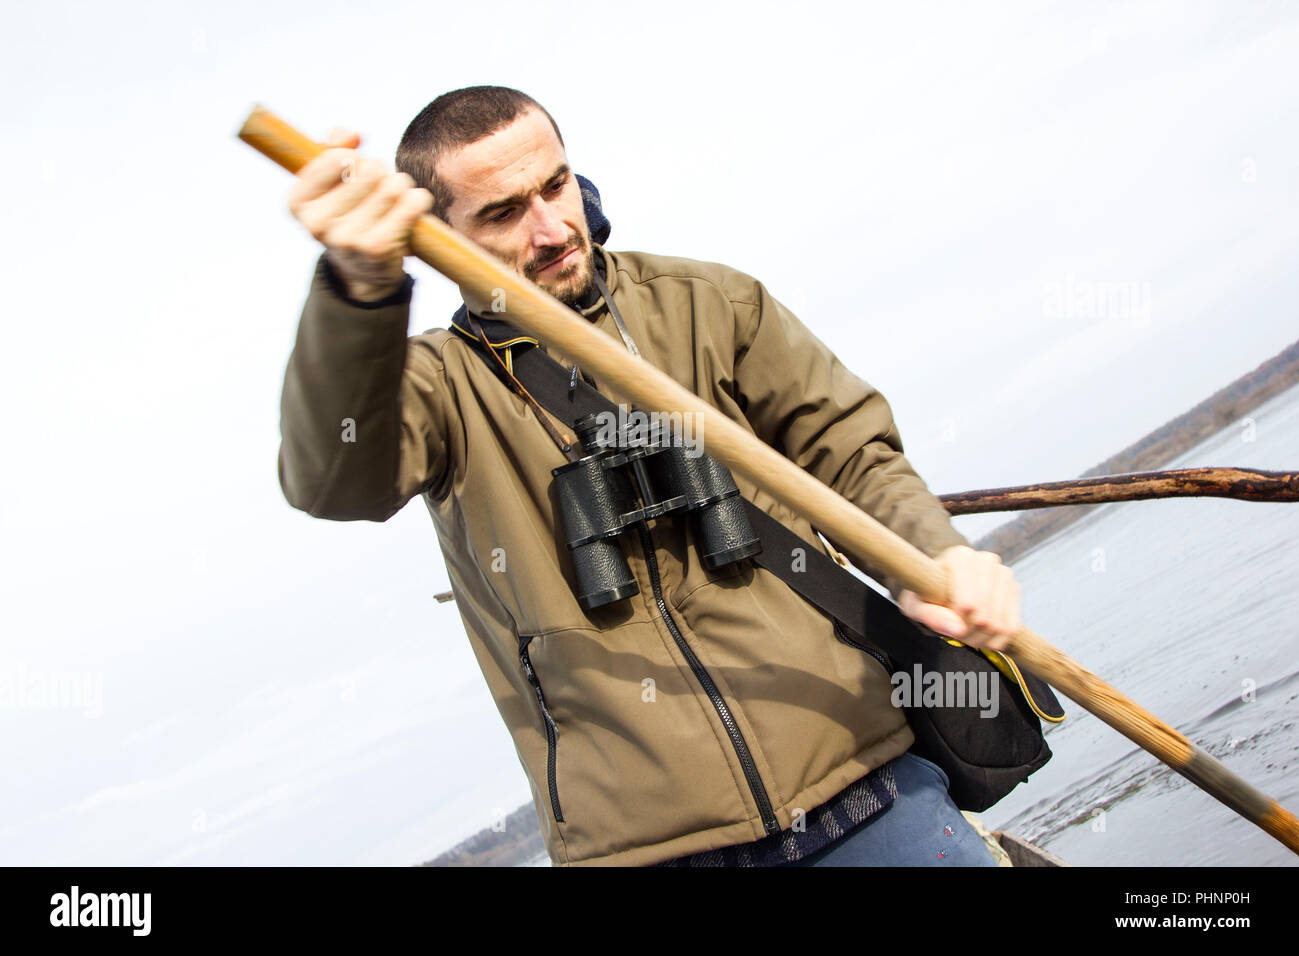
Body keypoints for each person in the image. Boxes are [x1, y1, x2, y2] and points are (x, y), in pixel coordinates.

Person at [278, 85, 1022, 867]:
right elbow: (334, 482)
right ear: (432, 235)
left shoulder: (708, 302)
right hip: (646, 850)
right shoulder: (436, 388)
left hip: (865, 793)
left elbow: (850, 450)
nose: (552, 228)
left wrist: (938, 559)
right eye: (501, 213)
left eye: (556, 185)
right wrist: (358, 292)